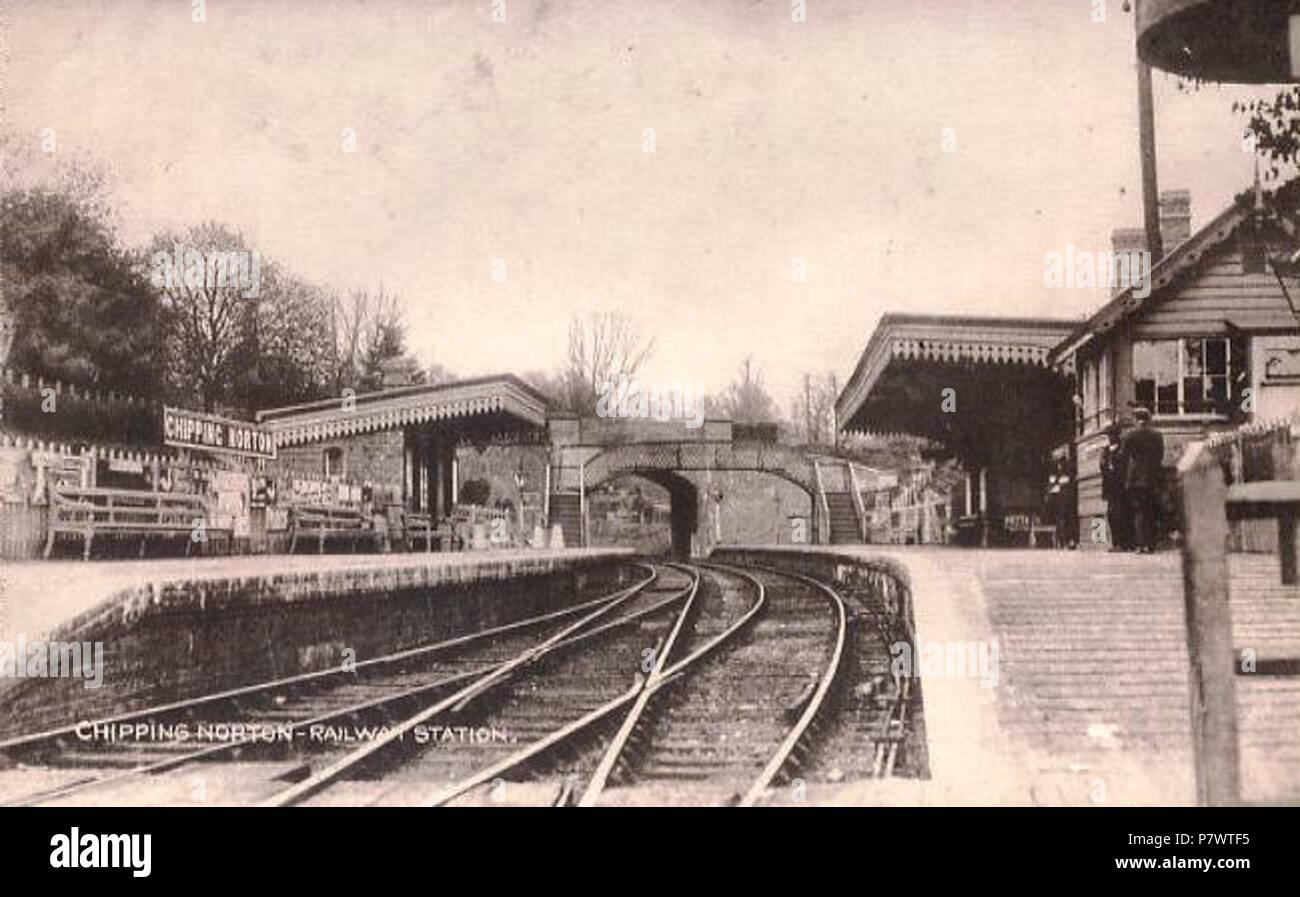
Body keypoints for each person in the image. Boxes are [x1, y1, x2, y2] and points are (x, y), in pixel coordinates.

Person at [1121, 407, 1165, 553]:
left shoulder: (1129, 435)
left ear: (1135, 419)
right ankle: (1151, 545)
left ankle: (1141, 545)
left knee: (1139, 511)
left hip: (1135, 479)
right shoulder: (1157, 435)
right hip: (1152, 478)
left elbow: (1123, 456)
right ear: (1148, 419)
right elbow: (1160, 456)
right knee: (1151, 511)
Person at [1099, 423, 1130, 550]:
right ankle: (1115, 542)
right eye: (1108, 435)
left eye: (1112, 435)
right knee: (1111, 515)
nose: (1110, 438)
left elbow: (1124, 466)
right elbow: (1102, 467)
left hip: (1120, 486)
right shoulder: (1105, 451)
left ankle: (1123, 543)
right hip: (1109, 486)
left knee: (1121, 514)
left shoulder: (1123, 449)